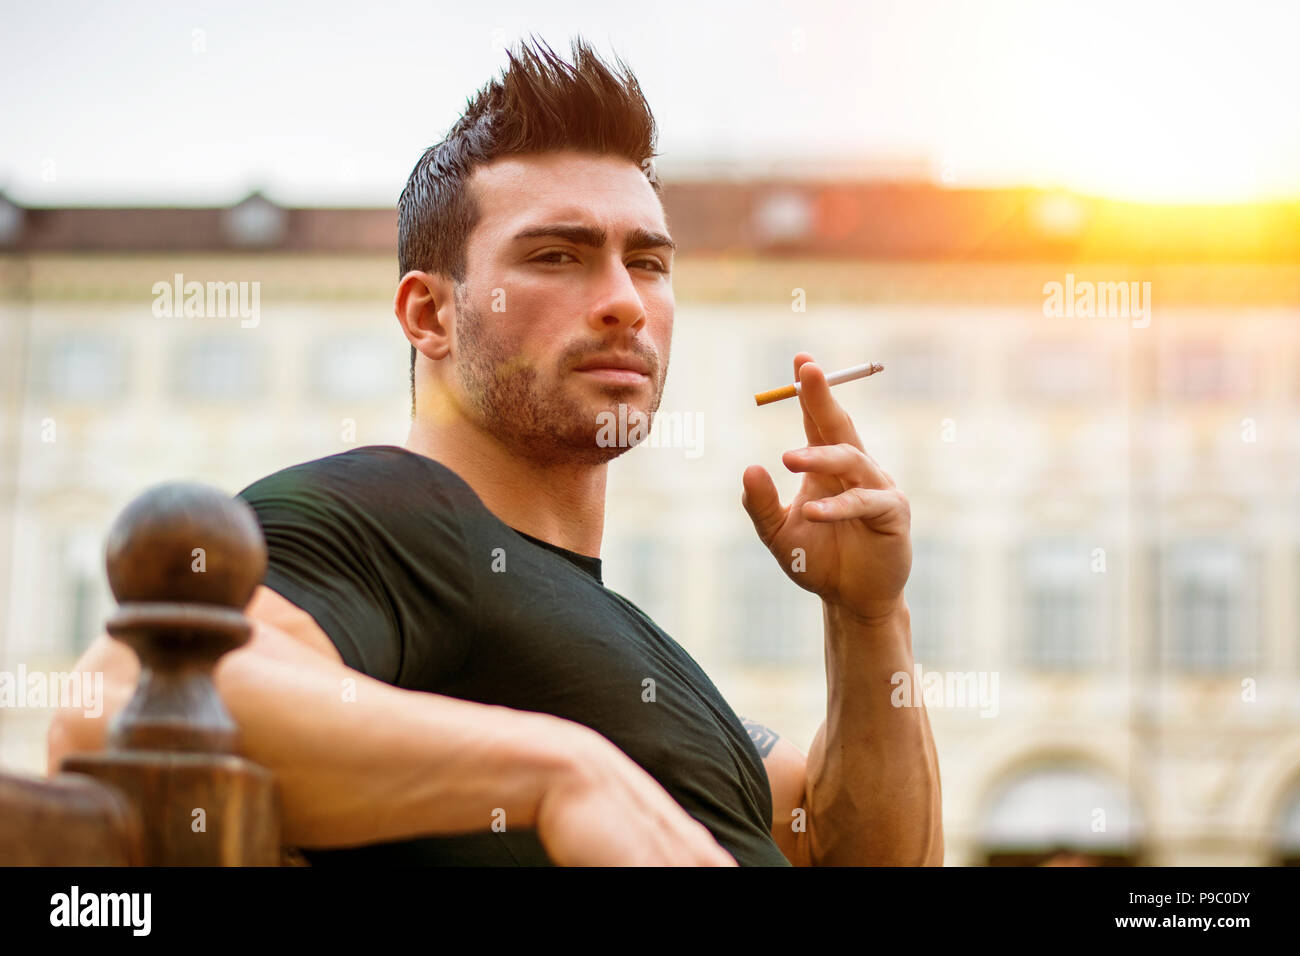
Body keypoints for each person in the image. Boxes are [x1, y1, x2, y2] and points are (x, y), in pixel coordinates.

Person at [49, 35, 941, 866]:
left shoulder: (643, 656)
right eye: (558, 256)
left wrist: (867, 621)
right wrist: (557, 774)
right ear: (429, 314)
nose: (625, 300)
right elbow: (124, 703)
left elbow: (847, 846)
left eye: (650, 262)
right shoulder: (397, 512)